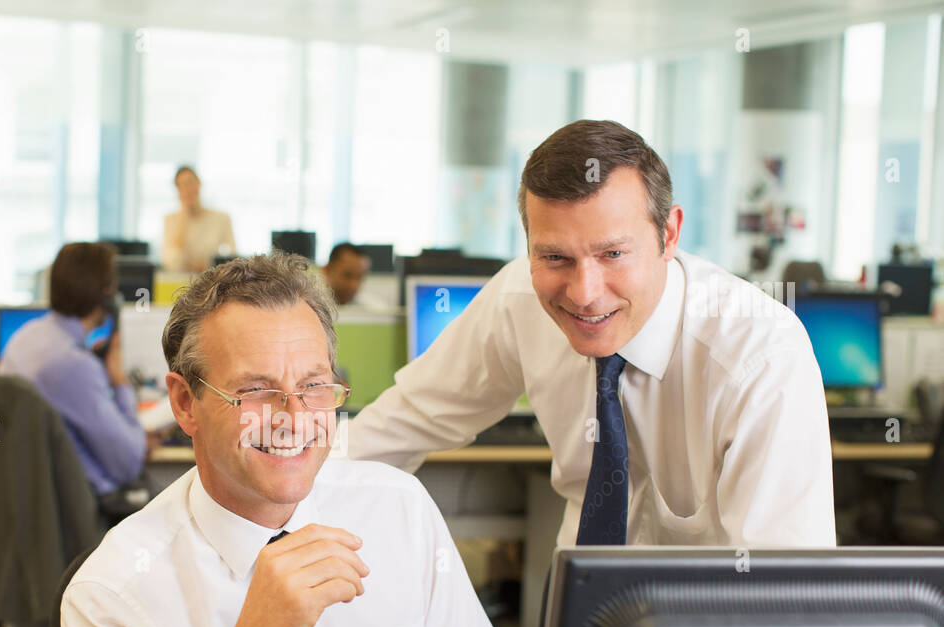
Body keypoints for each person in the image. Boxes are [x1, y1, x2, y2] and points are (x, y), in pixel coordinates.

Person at [345, 120, 836, 548]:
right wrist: (278, 490)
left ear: (669, 234)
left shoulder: (760, 356)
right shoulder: (518, 298)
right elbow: (402, 421)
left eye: (612, 254)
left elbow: (782, 583)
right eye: (555, 257)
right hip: (579, 611)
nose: (583, 294)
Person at [61, 253, 507, 627]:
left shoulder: (399, 510)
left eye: (314, 386)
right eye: (255, 390)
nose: (294, 420)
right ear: (184, 403)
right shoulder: (113, 595)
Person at [0, 242, 147, 500]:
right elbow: (128, 465)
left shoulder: (23, 338)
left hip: (26, 503)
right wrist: (119, 382)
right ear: (106, 295)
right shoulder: (75, 366)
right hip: (76, 512)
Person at [161, 165, 236, 273]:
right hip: (181, 282)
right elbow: (172, 264)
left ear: (199, 183)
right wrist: (183, 218)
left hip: (212, 280)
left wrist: (206, 266)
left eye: (190, 182)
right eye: (181, 185)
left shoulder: (221, 218)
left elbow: (232, 257)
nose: (187, 189)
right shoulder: (170, 220)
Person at [321, 242, 372, 306]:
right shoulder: (310, 307)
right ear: (327, 269)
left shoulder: (371, 308)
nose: (353, 285)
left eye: (360, 277)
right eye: (347, 275)